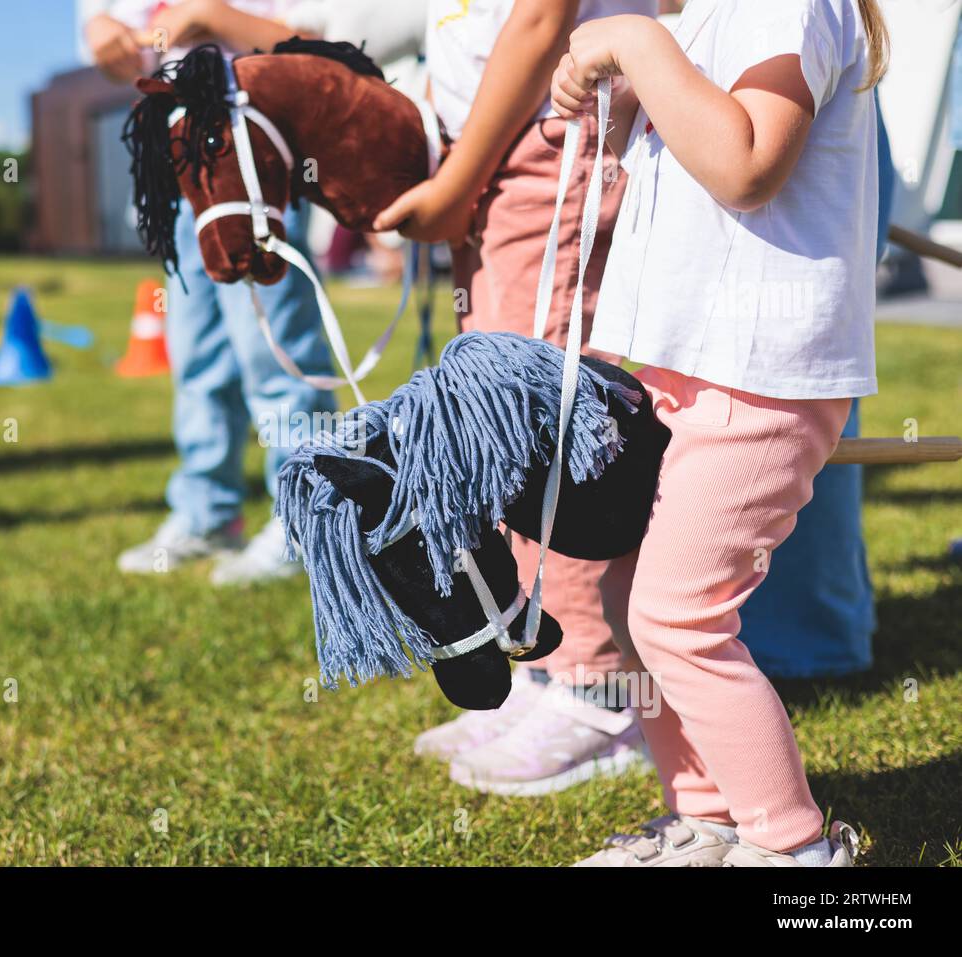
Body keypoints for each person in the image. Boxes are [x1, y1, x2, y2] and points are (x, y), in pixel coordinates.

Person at [547, 0, 883, 865]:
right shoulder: (697, 18)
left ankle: (796, 846)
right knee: (629, 597)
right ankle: (708, 817)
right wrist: (625, 106)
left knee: (679, 615)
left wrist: (635, 43)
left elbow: (745, 166)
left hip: (759, 370)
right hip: (681, 365)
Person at [374, 0, 659, 797]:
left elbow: (540, 17)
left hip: (547, 143)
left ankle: (601, 695)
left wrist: (455, 182)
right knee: (500, 423)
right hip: (501, 154)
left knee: (549, 415)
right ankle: (543, 665)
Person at [78, 0, 339, 585]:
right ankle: (207, 512)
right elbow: (116, 41)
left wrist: (216, 19)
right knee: (198, 358)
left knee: (276, 356)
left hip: (256, 167)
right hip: (178, 168)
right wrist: (101, 34)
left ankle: (310, 520)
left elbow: (318, 44)